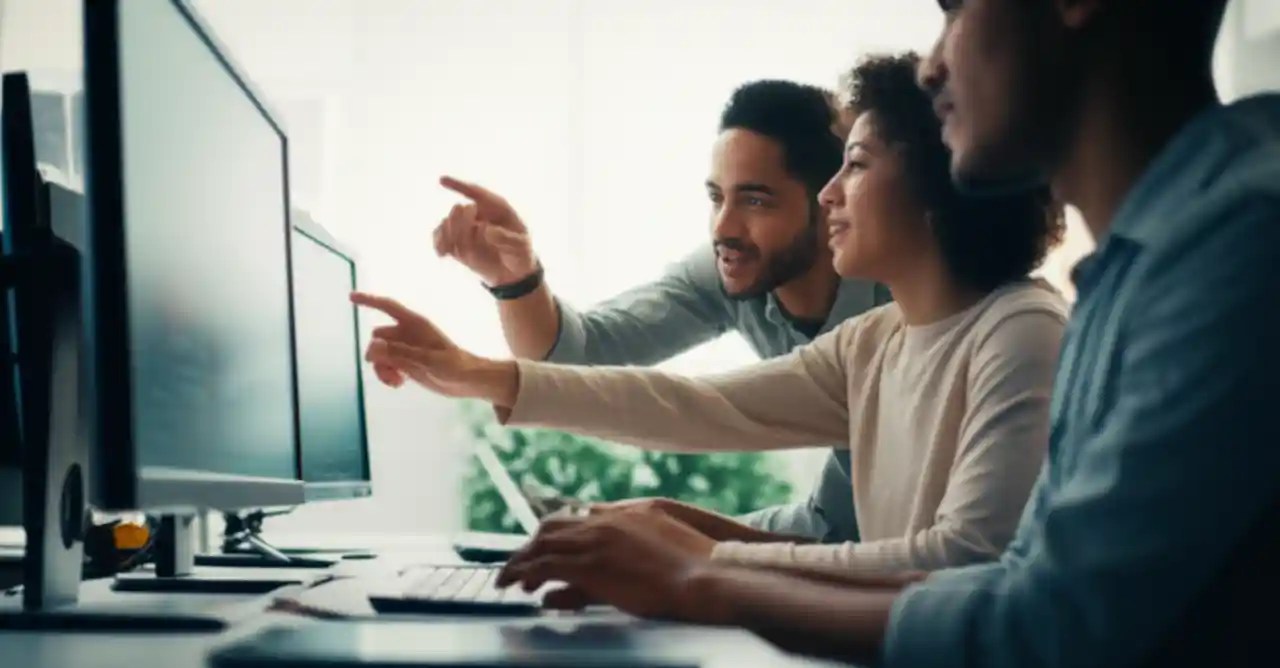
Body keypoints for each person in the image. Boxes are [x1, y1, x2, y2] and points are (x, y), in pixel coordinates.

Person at [428, 1, 1275, 668]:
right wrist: (482, 377)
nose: (934, 66)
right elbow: (699, 404)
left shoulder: (1233, 250)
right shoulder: (1134, 272)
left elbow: (1025, 616)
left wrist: (702, 573)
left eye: (955, 10)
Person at [355, 53, 1067, 577]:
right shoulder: (876, 340)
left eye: (854, 166)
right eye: (716, 196)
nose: (831, 195)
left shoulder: (1019, 330)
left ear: (936, 186)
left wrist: (699, 558)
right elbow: (692, 404)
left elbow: (961, 561)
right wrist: (475, 368)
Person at [429, 80, 888, 545]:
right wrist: (516, 280)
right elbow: (575, 361)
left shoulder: (898, 303)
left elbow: (707, 413)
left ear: (831, 201)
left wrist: (674, 536)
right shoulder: (731, 271)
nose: (724, 228)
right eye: (716, 198)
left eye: (755, 201)